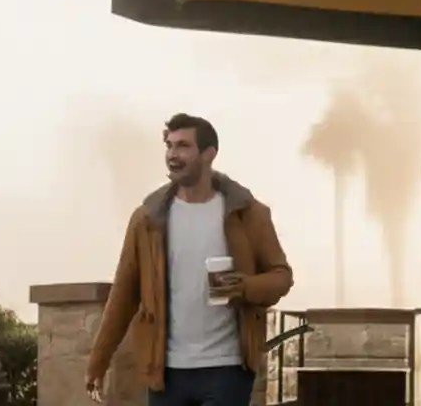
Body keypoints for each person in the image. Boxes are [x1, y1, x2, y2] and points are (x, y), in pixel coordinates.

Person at [85, 113, 293, 405]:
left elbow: (281, 276)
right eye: (169, 146)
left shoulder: (248, 213)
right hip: (166, 372)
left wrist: (245, 287)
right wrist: (99, 360)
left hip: (228, 368)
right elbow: (124, 294)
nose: (172, 155)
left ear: (209, 154)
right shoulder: (148, 218)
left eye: (183, 146)